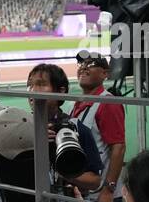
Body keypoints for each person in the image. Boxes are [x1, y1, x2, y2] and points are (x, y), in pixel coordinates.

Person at [71, 53, 126, 202]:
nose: (84, 67)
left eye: (92, 64)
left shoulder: (107, 102)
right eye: (82, 64)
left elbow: (118, 147)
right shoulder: (80, 103)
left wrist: (108, 190)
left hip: (100, 195)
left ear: (105, 74)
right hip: (86, 193)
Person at [27, 63, 103, 194]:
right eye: (30, 84)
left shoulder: (75, 128)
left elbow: (95, 181)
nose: (33, 90)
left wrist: (64, 170)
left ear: (61, 91)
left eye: (41, 84)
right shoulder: (20, 126)